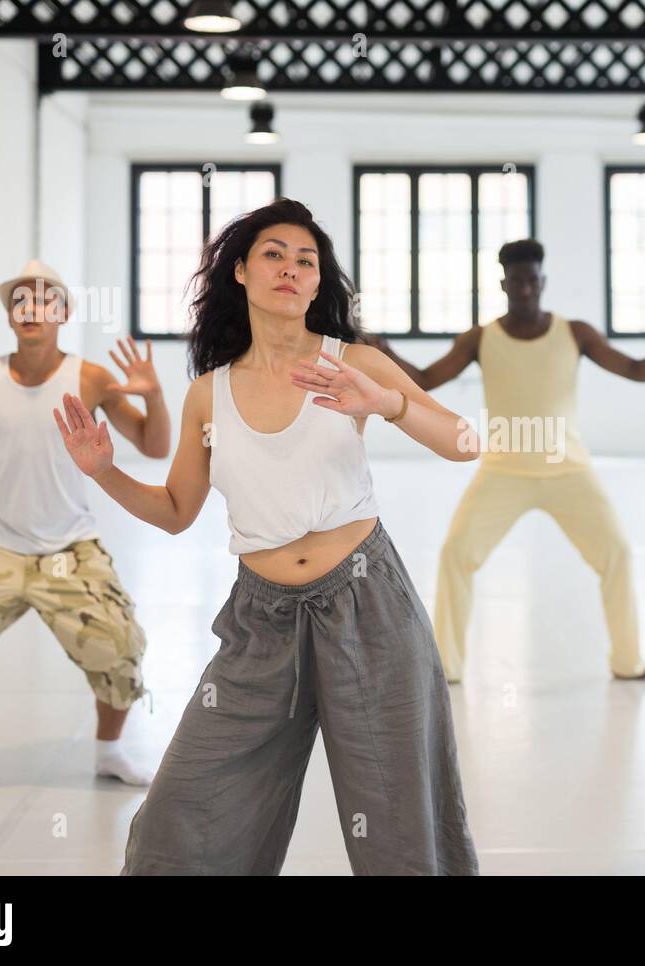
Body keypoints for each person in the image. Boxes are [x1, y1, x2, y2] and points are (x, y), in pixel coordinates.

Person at [54, 198, 480, 875]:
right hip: (262, 620)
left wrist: (389, 404)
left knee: (400, 819)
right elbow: (174, 510)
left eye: (306, 260)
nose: (291, 268)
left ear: (319, 283)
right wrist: (103, 471)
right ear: (242, 274)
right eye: (274, 255)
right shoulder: (209, 394)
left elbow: (466, 442)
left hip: (369, 607)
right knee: (185, 808)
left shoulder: (355, 362)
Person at [369, 238, 645, 684]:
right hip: (502, 473)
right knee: (457, 554)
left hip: (568, 471)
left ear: (543, 281)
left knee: (618, 555)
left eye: (533, 279)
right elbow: (424, 380)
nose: (526, 287)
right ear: (504, 284)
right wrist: (384, 350)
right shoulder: (481, 337)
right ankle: (446, 667)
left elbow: (634, 370)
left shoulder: (575, 333)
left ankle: (628, 664)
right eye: (517, 280)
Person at [0, 259, 170, 793]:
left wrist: (154, 395)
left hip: (70, 545)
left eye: (45, 300)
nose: (32, 308)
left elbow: (155, 445)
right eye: (20, 300)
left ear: (64, 313)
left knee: (119, 648)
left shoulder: (90, 378)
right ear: (9, 316)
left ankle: (110, 752)